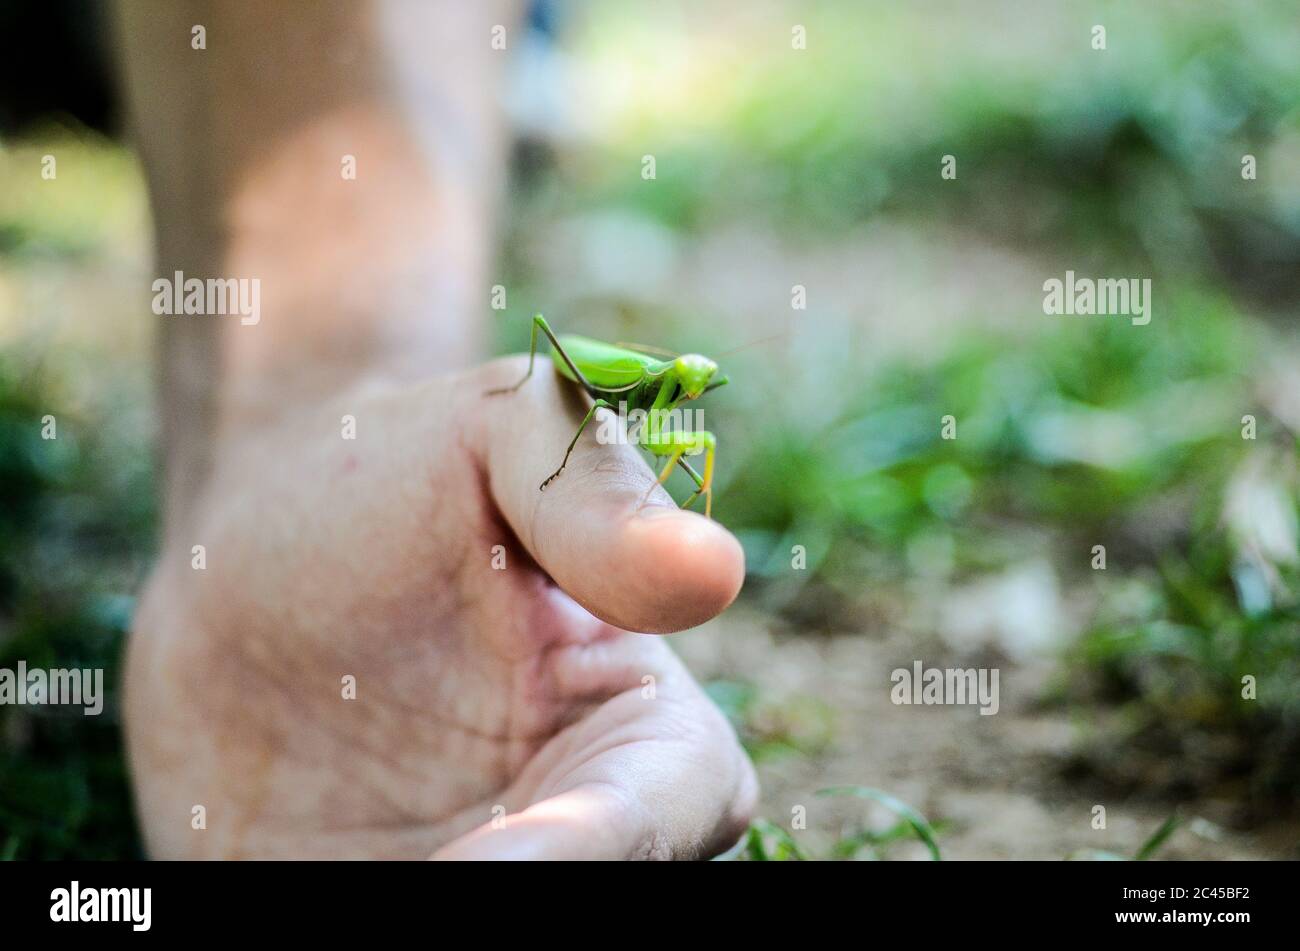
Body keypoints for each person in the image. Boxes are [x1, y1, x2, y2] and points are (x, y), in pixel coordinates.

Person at [116, 0, 756, 859]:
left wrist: (297, 423)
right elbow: (571, 384)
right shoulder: (632, 376)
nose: (695, 389)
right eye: (693, 377)